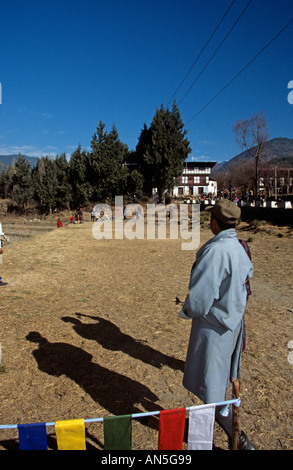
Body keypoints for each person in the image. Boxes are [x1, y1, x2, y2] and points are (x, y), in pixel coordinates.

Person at [179, 198, 257, 450]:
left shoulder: (216, 251)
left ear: (214, 222)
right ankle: (226, 436)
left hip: (214, 329)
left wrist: (187, 309)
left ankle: (235, 441)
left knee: (210, 391)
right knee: (216, 385)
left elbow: (201, 299)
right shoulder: (239, 246)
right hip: (232, 324)